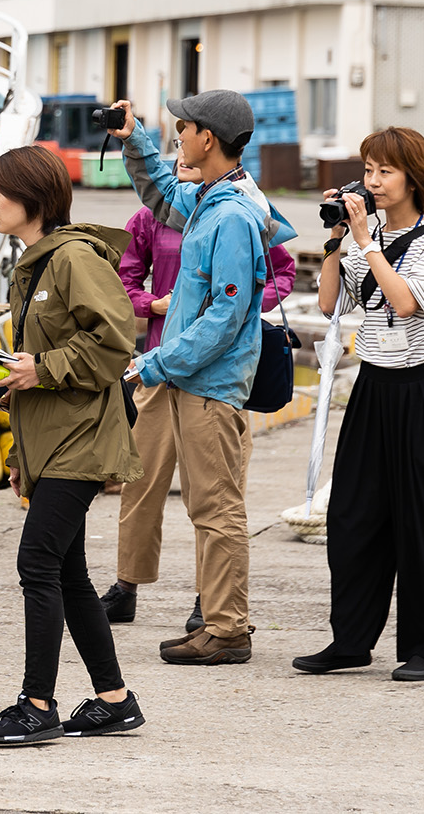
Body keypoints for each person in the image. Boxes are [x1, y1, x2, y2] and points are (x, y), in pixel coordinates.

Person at [292, 127, 424, 682]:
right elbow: (331, 301)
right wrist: (338, 240)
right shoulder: (363, 236)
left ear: (413, 178)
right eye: (368, 170)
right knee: (355, 515)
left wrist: (369, 245)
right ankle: (350, 640)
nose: (373, 182)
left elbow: (404, 303)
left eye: (384, 172)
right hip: (375, 388)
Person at [109, 90, 294, 666]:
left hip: (209, 385)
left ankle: (228, 628)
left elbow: (227, 313)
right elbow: (162, 193)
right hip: (191, 376)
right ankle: (216, 620)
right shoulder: (214, 199)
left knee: (215, 507)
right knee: (202, 505)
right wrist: (135, 139)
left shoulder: (234, 215)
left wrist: (157, 362)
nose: (179, 138)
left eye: (183, 129)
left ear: (207, 138)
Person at [0, 144, 145, 745]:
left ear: (35, 199)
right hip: (49, 442)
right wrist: (21, 456)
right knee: (68, 571)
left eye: (1, 190)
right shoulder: (34, 265)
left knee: (37, 563)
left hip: (82, 439)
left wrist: (41, 368)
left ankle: (36, 703)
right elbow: (34, 367)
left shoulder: (72, 258)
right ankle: (114, 700)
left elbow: (118, 339)